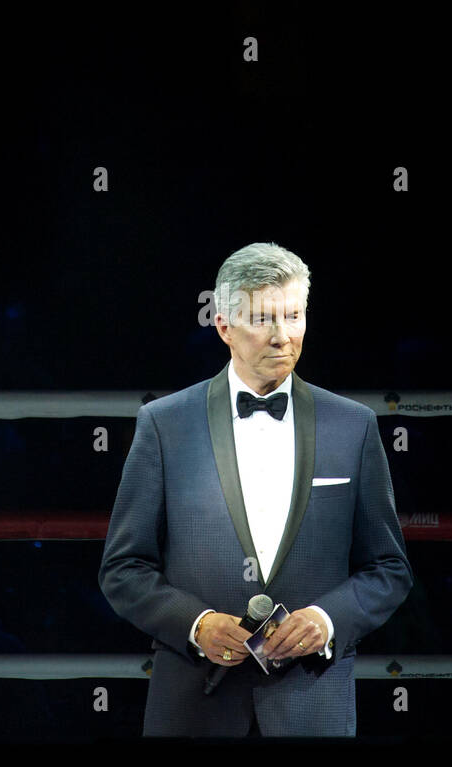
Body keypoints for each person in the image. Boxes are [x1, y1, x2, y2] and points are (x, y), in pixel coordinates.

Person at [99, 242, 413, 736]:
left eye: (293, 316)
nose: (282, 336)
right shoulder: (163, 425)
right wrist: (196, 624)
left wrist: (327, 621)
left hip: (314, 707)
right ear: (223, 326)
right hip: (193, 707)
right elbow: (122, 569)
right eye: (264, 319)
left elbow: (389, 569)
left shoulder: (354, 426)